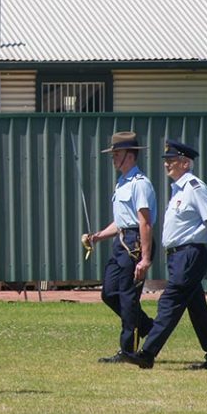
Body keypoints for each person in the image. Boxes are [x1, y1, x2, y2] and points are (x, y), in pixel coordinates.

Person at [123, 140, 207, 370]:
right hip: (178, 256)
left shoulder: (194, 187)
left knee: (169, 301)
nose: (166, 165)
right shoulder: (179, 189)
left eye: (171, 160)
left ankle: (147, 353)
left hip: (190, 254)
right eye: (166, 161)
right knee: (197, 310)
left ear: (185, 162)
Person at [83, 131, 156, 363]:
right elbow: (122, 221)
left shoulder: (140, 184)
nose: (113, 158)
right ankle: (147, 327)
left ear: (130, 156)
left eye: (117, 154)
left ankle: (128, 351)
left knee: (127, 297)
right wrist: (98, 236)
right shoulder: (122, 183)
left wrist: (145, 258)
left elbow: (144, 221)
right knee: (109, 293)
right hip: (122, 241)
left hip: (134, 243)